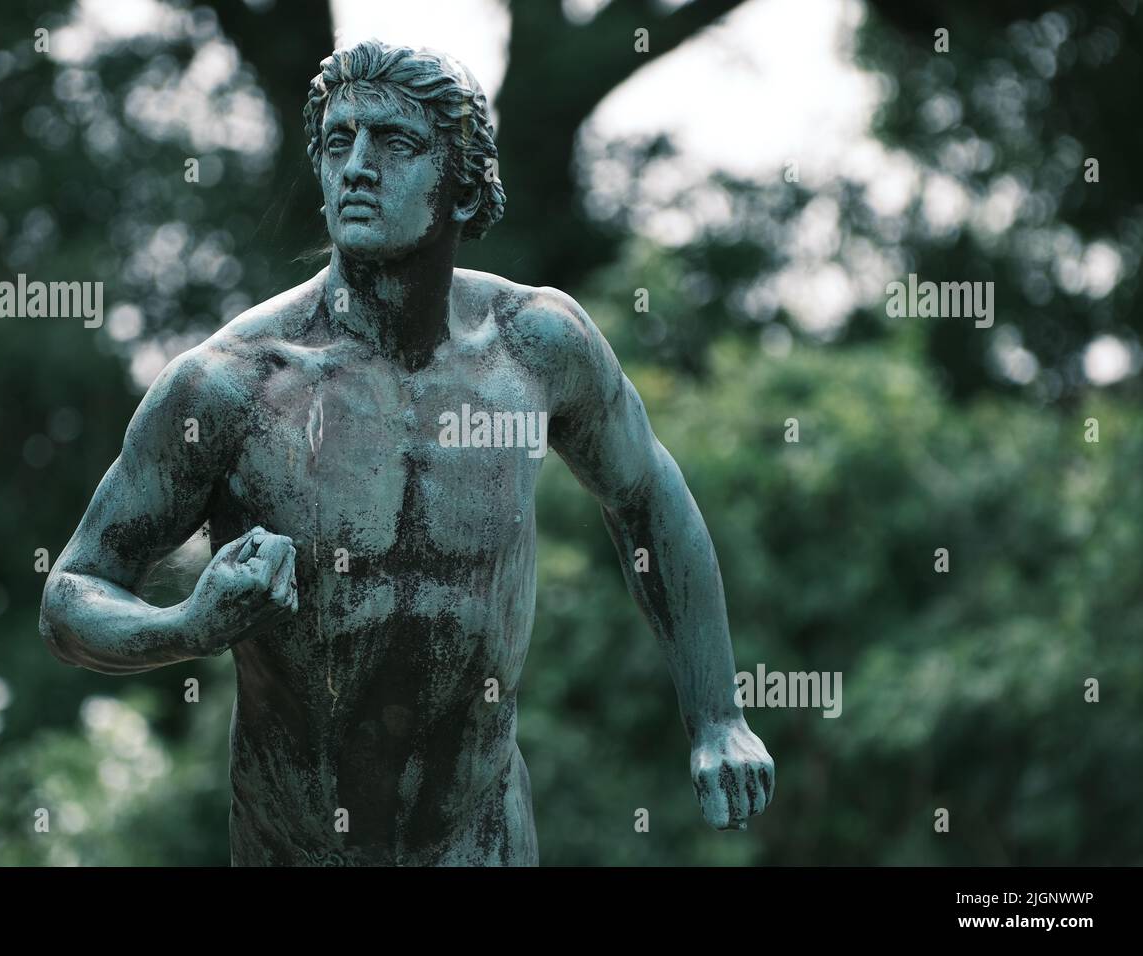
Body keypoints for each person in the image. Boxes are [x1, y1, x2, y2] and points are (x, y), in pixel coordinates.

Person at [40, 39, 774, 866]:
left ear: (463, 186)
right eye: (337, 142)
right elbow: (72, 594)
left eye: (393, 143)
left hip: (485, 839)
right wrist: (187, 625)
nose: (356, 167)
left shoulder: (533, 349)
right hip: (302, 848)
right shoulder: (233, 388)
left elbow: (648, 498)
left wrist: (718, 716)